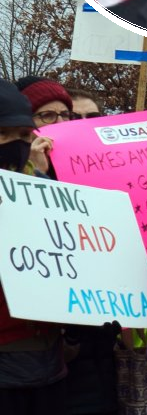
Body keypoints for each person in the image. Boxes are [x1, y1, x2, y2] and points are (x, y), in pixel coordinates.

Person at [0, 80, 67, 414]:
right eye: (3, 134)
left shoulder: (41, 188)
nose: (15, 145)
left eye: (24, 136)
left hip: (47, 361)